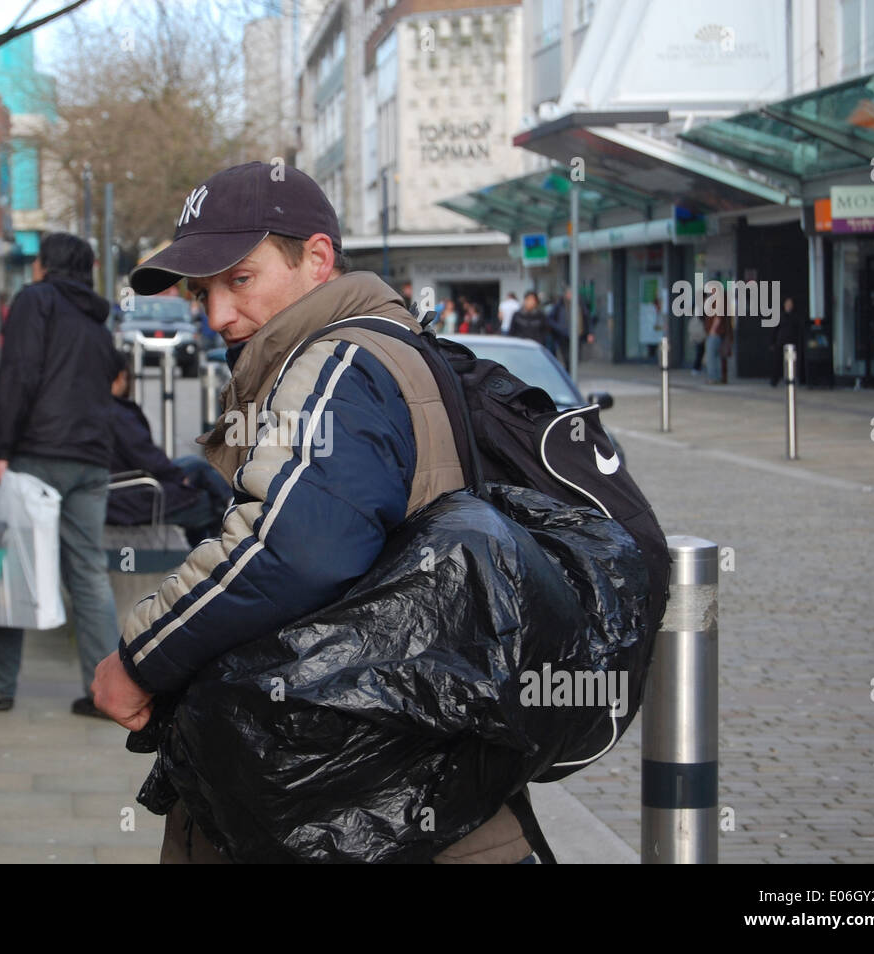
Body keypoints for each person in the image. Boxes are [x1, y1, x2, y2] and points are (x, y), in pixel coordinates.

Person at [90, 160, 539, 864]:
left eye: (240, 279)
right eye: (202, 290)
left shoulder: (336, 362)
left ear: (318, 258)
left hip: (347, 794)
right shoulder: (384, 348)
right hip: (395, 783)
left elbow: (294, 548)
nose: (217, 316)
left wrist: (141, 655)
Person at [0, 233, 123, 718]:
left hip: (39, 453)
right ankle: (109, 692)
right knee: (87, 571)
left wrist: (0, 447)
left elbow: (17, 372)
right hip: (91, 460)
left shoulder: (35, 300)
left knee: (9, 565)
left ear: (46, 265)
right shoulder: (98, 320)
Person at [107, 355, 231, 545]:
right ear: (120, 377)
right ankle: (228, 512)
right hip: (132, 495)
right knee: (208, 501)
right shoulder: (117, 413)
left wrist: (175, 475)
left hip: (125, 486)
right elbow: (145, 456)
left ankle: (228, 502)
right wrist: (177, 477)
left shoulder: (100, 406)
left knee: (196, 465)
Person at [769, 295, 806, 387]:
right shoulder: (780, 316)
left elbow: (799, 330)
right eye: (787, 304)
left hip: (792, 343)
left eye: (790, 304)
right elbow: (774, 330)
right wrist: (772, 342)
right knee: (778, 362)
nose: (789, 306)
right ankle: (774, 380)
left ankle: (792, 379)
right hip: (781, 342)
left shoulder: (795, 317)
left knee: (792, 361)